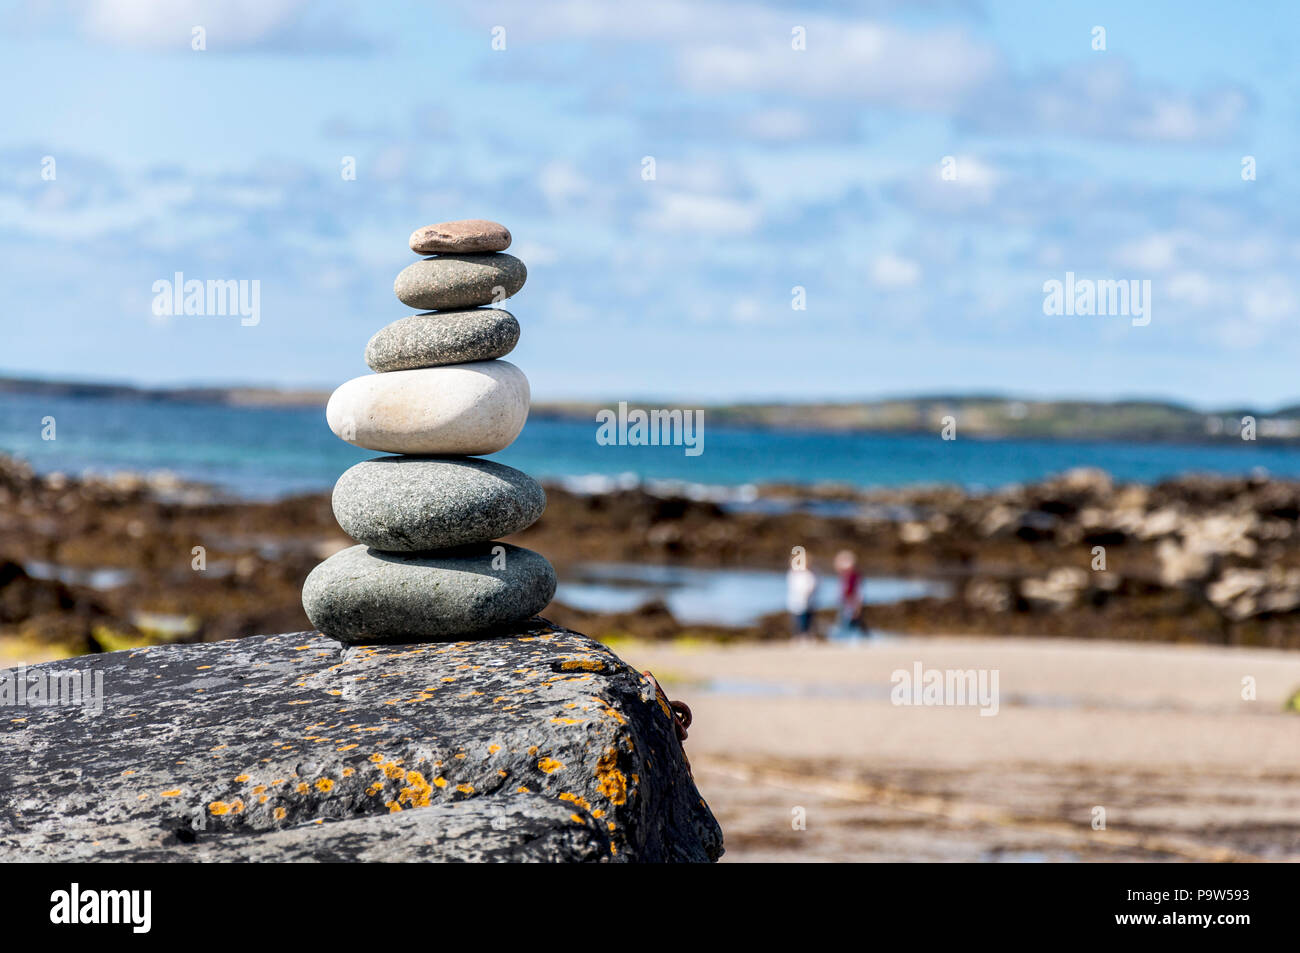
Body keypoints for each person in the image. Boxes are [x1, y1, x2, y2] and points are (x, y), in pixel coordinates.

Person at [833, 549, 866, 640]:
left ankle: (852, 637)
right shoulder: (845, 575)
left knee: (851, 620)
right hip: (846, 602)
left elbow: (857, 591)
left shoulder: (853, 576)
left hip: (851, 602)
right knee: (846, 620)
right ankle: (848, 637)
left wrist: (857, 604)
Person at [786, 555, 818, 641]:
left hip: (808, 602)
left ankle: (806, 635)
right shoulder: (792, 574)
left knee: (807, 620)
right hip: (795, 601)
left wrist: (808, 594)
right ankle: (797, 636)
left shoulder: (809, 574)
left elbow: (813, 586)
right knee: (796, 620)